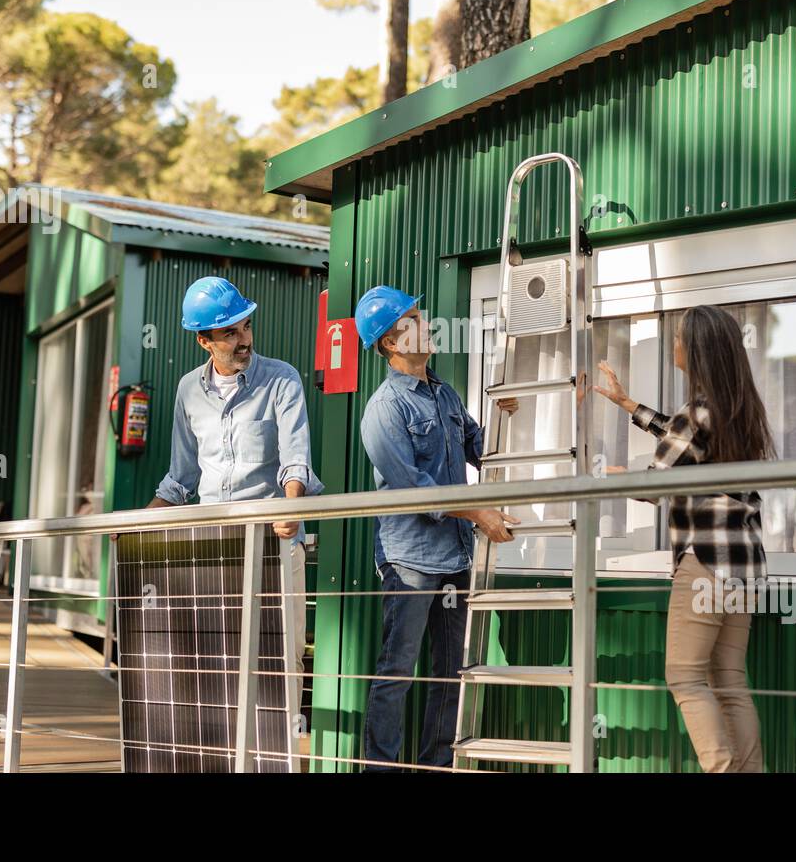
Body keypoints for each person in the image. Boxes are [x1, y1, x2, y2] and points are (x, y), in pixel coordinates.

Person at [592, 304, 773, 773]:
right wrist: (629, 405)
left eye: (677, 339)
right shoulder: (740, 409)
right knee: (730, 681)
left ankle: (721, 769)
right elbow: (688, 444)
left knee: (685, 677)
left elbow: (655, 485)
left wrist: (612, 476)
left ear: (695, 350)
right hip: (745, 566)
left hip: (706, 566)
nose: (673, 346)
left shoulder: (696, 414)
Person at [354, 285, 519, 770]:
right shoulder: (384, 409)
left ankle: (436, 765)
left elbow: (479, 448)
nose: (426, 326)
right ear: (390, 342)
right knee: (398, 671)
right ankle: (380, 767)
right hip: (410, 561)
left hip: (454, 554)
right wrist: (480, 514)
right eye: (414, 320)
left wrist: (506, 414)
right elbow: (416, 488)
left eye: (422, 316)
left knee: (451, 671)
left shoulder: (443, 393)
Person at [148, 275, 323, 728]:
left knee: (278, 659)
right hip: (213, 545)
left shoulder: (282, 379)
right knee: (215, 661)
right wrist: (138, 519)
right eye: (230, 332)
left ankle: (273, 753)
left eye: (245, 327)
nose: (243, 339)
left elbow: (295, 460)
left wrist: (290, 507)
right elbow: (180, 477)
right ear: (203, 340)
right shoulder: (188, 390)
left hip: (274, 541)